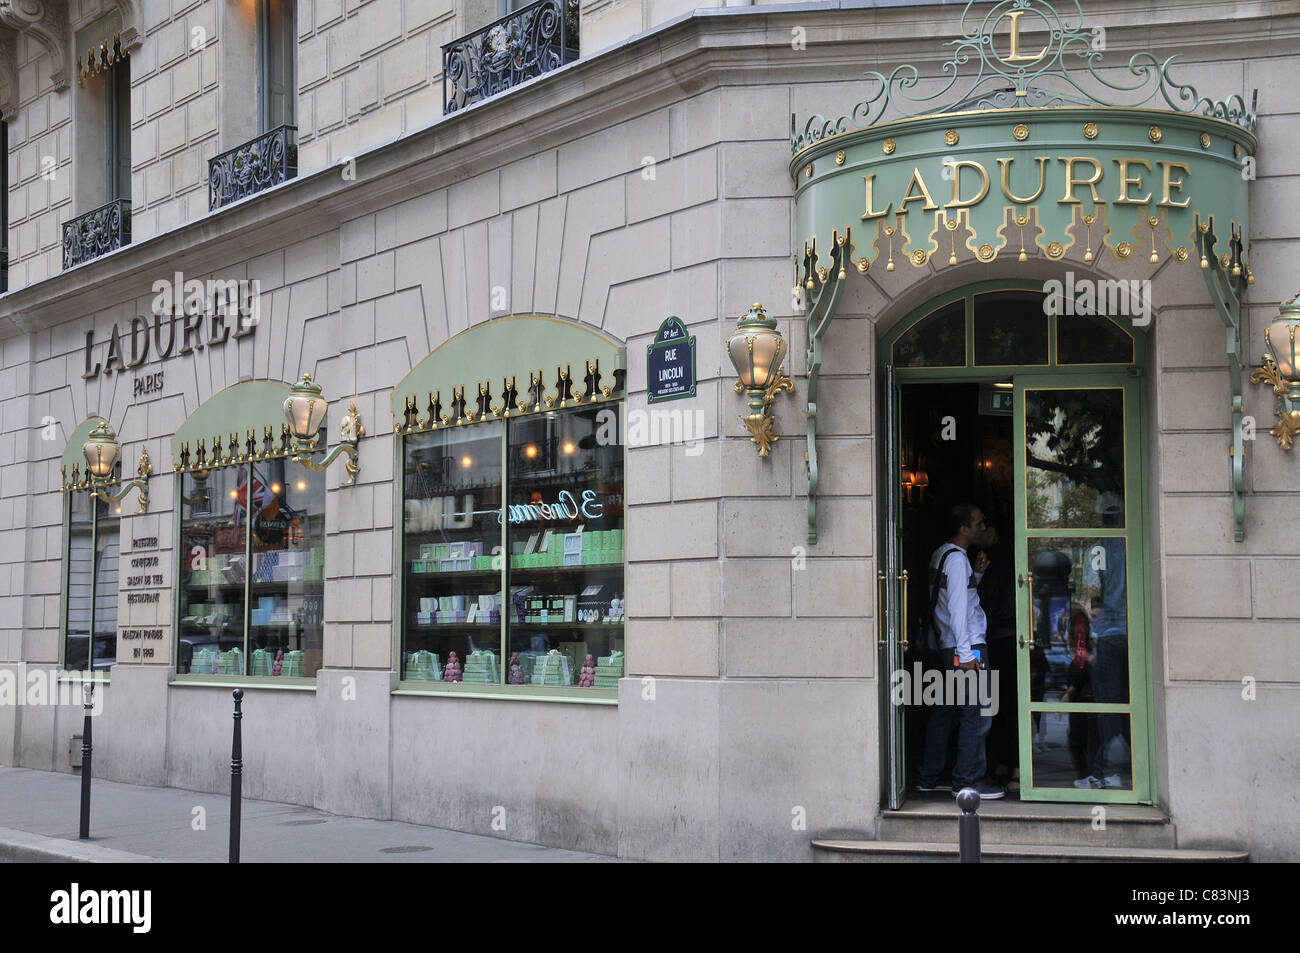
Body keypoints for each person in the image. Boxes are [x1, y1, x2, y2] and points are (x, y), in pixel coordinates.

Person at [916, 503, 1004, 800]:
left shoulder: (943, 555)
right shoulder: (956, 560)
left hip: (952, 645)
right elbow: (957, 609)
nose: (983, 526)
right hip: (966, 646)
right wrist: (966, 655)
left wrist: (976, 577)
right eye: (979, 523)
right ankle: (968, 781)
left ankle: (929, 777)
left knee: (947, 711)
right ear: (964, 528)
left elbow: (952, 599)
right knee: (978, 714)